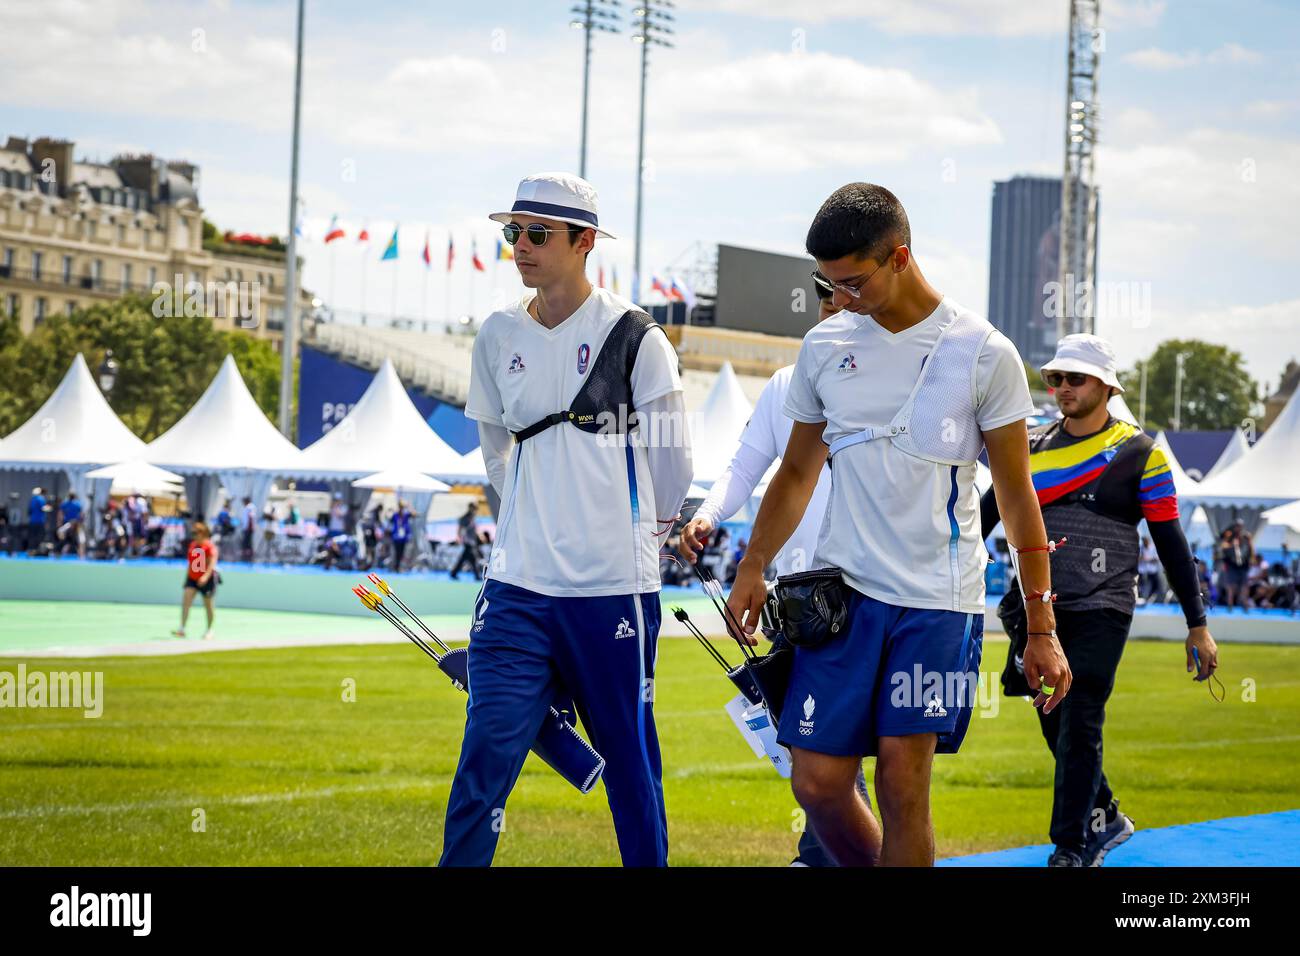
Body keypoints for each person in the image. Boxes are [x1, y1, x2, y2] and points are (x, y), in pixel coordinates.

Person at [726, 183, 1070, 866]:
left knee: (902, 780)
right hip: (842, 600)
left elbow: (1017, 492)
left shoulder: (983, 351)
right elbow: (795, 472)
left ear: (900, 257)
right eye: (830, 284)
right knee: (817, 782)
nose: (841, 297)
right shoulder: (825, 345)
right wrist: (753, 564)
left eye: (854, 282)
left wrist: (1041, 628)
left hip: (936, 603)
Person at [443, 172, 692, 866]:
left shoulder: (638, 336)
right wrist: (524, 528)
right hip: (517, 590)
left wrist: (647, 541)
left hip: (612, 592)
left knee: (630, 767)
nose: (520, 246)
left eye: (538, 234)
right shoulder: (496, 334)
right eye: (512, 232)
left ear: (585, 243)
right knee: (485, 758)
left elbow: (675, 462)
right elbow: (495, 451)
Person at [980, 333, 1219, 866]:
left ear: (1107, 386)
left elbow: (1172, 545)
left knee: (1081, 716)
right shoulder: (1030, 445)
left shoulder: (1141, 454)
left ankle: (1072, 845)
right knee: (1052, 719)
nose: (1062, 387)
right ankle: (1105, 814)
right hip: (1035, 611)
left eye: (1075, 378)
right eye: (1055, 378)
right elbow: (981, 519)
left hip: (1103, 608)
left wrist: (1197, 623)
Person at [680, 270, 875, 866]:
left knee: (849, 743)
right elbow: (746, 467)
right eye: (824, 301)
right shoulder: (789, 383)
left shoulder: (893, 382)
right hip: (793, 598)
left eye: (846, 298)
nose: (832, 311)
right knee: (812, 735)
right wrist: (709, 516)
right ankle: (828, 852)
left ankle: (822, 854)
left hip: (866, 588)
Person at [173, 520, 218, 640]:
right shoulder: (193, 545)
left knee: (208, 605)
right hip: (192, 578)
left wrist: (205, 577)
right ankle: (182, 628)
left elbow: (211, 563)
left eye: (196, 533)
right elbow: (191, 563)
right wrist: (187, 578)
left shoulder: (209, 546)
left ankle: (209, 629)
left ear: (202, 533)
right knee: (186, 601)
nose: (193, 536)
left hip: (206, 580)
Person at [449, 502, 481, 580]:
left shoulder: (472, 517)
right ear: (470, 508)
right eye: (474, 508)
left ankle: (454, 573)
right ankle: (476, 576)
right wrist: (459, 537)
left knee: (466, 558)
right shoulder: (465, 518)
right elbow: (460, 528)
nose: (475, 510)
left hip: (472, 541)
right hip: (467, 541)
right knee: (472, 558)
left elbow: (475, 530)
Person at [57, 491, 85, 559]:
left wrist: (59, 523)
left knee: (64, 539)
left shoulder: (65, 504)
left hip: (71, 525)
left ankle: (59, 554)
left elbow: (60, 514)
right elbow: (82, 515)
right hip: (73, 525)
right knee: (80, 541)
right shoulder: (77, 504)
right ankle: (81, 556)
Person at [389, 500, 412, 572]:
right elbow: (390, 521)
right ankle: (395, 567)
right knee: (396, 553)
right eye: (400, 507)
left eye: (402, 508)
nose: (401, 509)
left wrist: (409, 506)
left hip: (403, 538)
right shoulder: (395, 515)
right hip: (396, 537)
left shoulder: (406, 515)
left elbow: (414, 514)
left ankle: (398, 567)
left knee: (401, 553)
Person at [27, 486, 47, 553]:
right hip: (40, 521)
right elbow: (43, 508)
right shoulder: (41, 499)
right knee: (40, 536)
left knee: (32, 536)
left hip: (32, 521)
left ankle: (30, 550)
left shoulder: (32, 500)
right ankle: (38, 551)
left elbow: (29, 511)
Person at [239, 496, 256, 563]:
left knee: (247, 542)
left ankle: (248, 557)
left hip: (248, 528)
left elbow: (251, 517)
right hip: (247, 527)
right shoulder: (248, 507)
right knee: (246, 542)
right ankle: (246, 556)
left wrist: (249, 527)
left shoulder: (250, 507)